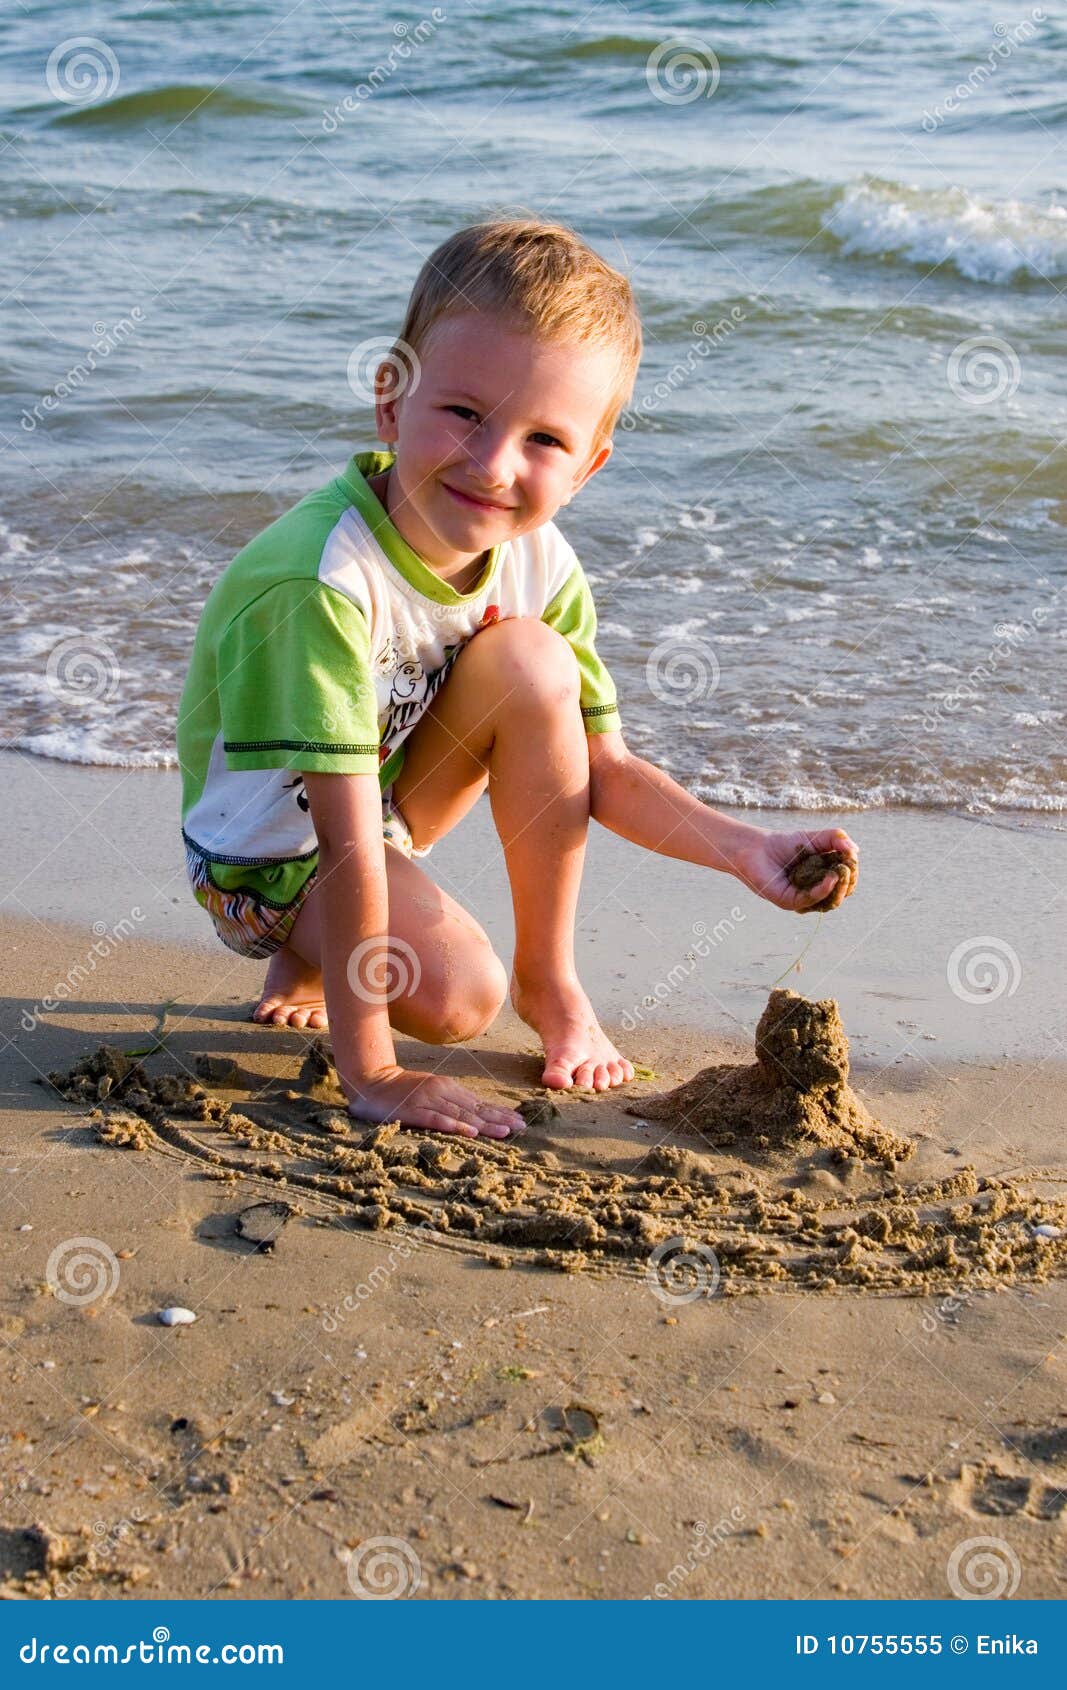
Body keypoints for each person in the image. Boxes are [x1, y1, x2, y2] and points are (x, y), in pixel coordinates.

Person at [177, 216, 857, 1141]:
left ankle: (552, 982)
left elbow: (598, 768)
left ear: (587, 467)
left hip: (378, 806)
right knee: (458, 1000)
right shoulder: (319, 583)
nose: (494, 465)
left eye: (544, 439)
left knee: (532, 660)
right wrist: (371, 1071)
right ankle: (295, 948)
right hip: (261, 859)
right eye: (463, 413)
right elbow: (339, 844)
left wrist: (739, 846)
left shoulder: (539, 560)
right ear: (390, 400)